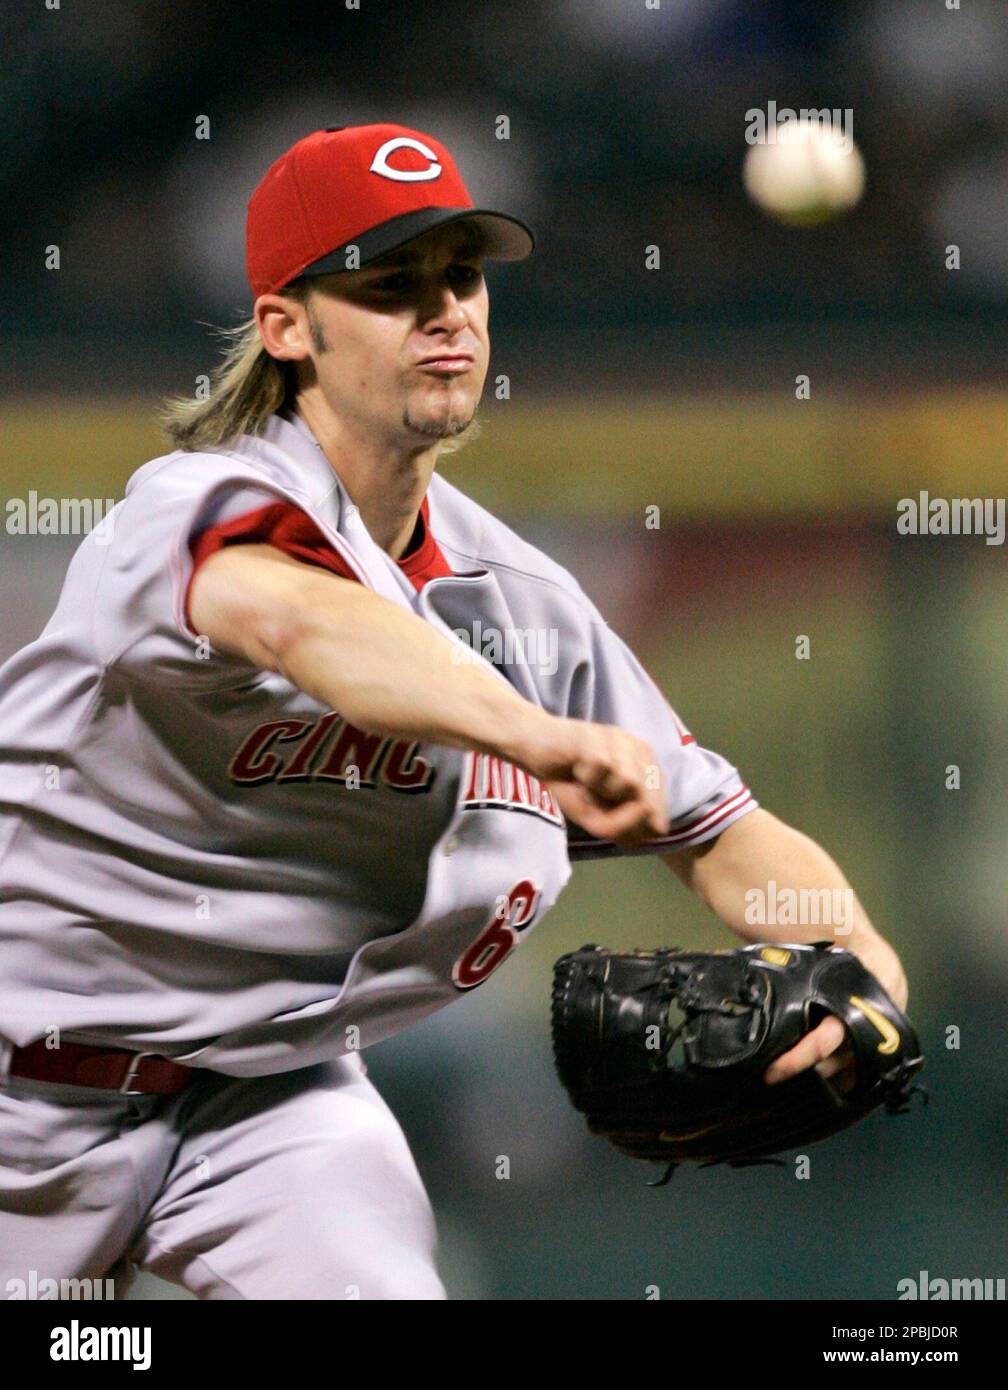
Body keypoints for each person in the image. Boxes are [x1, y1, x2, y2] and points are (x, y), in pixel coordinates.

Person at [0, 123, 906, 1300]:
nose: (447, 314)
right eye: (389, 287)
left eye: (462, 276)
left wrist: (868, 974)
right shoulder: (193, 506)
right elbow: (300, 622)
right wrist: (529, 734)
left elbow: (722, 830)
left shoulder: (522, 604)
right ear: (287, 329)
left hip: (266, 1096)